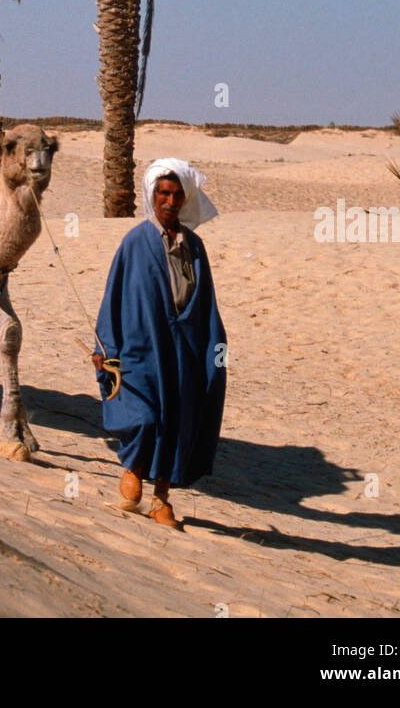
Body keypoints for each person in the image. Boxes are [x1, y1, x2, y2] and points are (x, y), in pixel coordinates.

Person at [92, 158, 227, 530]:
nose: (169, 201)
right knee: (145, 415)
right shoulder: (135, 242)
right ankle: (132, 471)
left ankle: (161, 499)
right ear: (152, 196)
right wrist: (104, 346)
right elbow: (113, 297)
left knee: (178, 423)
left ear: (185, 199)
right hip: (139, 349)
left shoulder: (194, 247)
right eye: (163, 193)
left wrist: (214, 351)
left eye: (176, 194)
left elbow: (206, 303)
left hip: (183, 352)